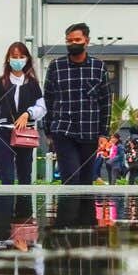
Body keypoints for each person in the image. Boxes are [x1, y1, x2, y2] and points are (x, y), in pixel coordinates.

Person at [44, 23, 111, 185]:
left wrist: (104, 134)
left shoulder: (99, 67)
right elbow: (48, 99)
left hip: (89, 131)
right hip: (62, 130)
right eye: (69, 41)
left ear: (86, 41)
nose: (73, 43)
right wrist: (48, 131)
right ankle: (67, 210)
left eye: (77, 40)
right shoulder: (56, 66)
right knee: (70, 179)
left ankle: (85, 211)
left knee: (86, 181)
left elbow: (105, 102)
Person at [0, 41, 46, 186]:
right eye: (14, 56)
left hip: (25, 133)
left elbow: (42, 107)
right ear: (8, 59)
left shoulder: (33, 84)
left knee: (25, 176)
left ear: (27, 59)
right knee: (6, 176)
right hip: (3, 133)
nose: (18, 60)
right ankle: (4, 208)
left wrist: (28, 113)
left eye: (21, 56)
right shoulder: (0, 84)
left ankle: (25, 207)